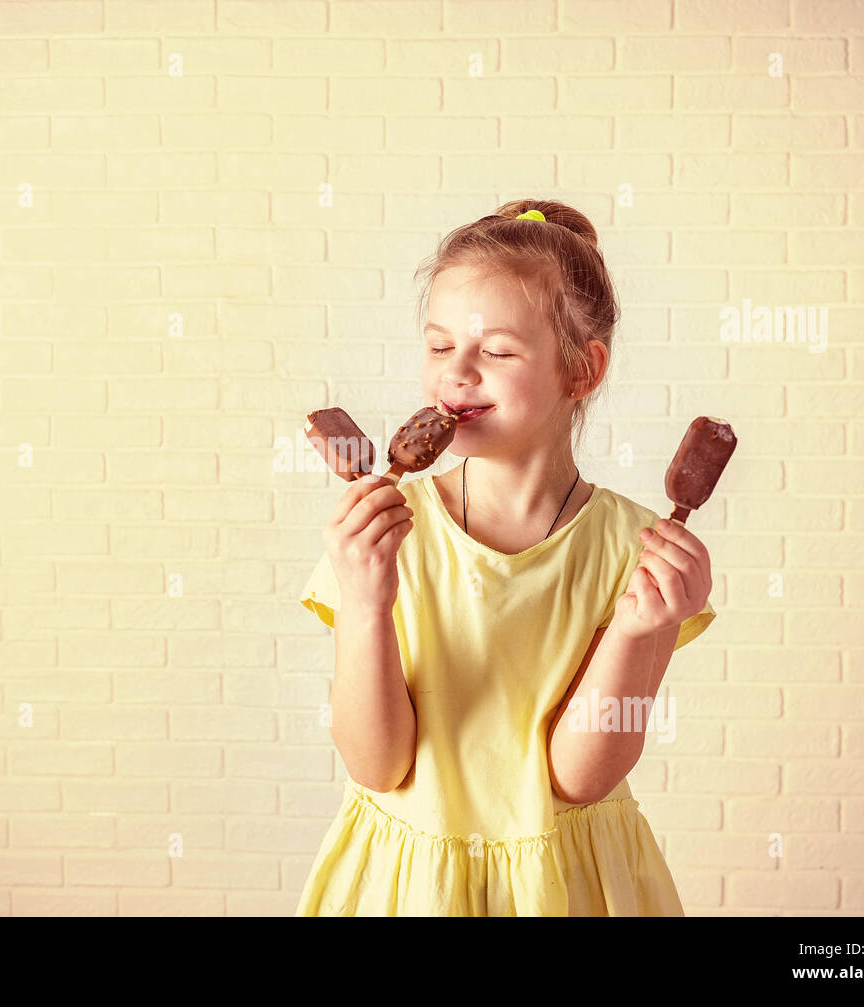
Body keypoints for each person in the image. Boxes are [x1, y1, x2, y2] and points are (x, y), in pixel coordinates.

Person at [295, 200, 717, 916]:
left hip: (565, 885)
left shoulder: (633, 551)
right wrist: (366, 603)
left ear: (581, 369)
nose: (455, 373)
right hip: (409, 883)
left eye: (494, 352)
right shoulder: (387, 533)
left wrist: (637, 630)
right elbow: (375, 763)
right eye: (437, 346)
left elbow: (581, 776)